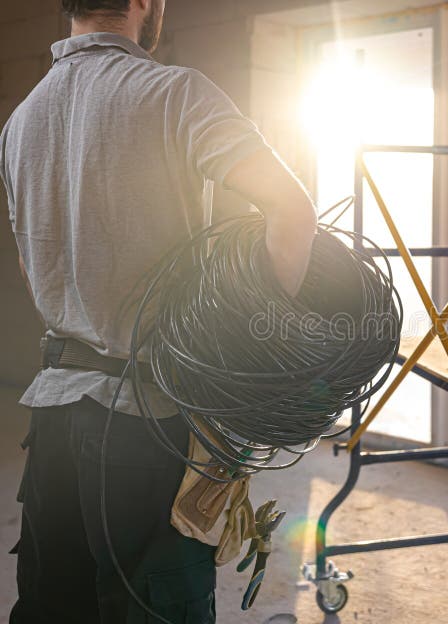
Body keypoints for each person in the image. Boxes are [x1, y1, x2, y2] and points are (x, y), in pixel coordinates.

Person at [0, 0, 318, 621]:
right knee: (154, 608)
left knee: (51, 604)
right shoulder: (173, 92)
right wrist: (255, 358)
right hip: (147, 417)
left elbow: (29, 265)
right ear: (145, 2)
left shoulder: (20, 119)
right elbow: (293, 212)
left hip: (54, 416)